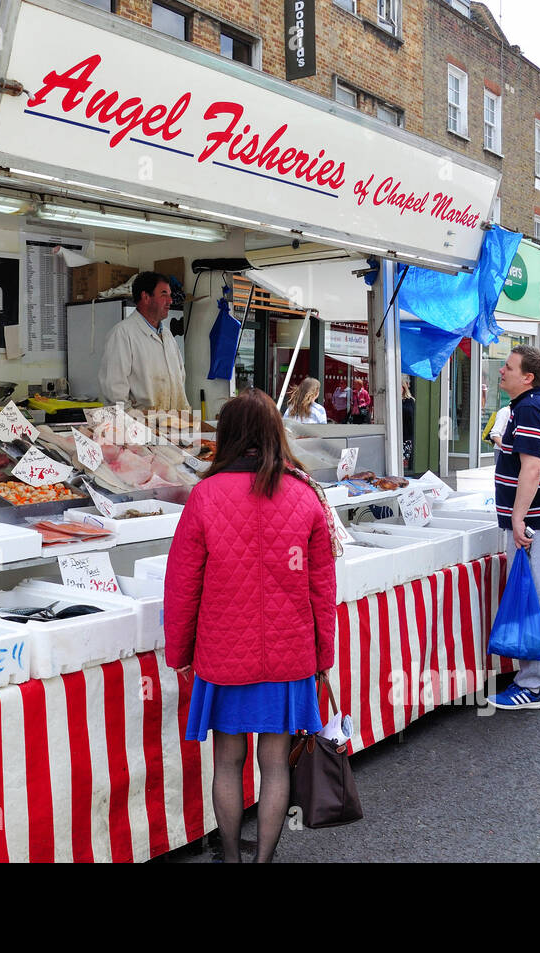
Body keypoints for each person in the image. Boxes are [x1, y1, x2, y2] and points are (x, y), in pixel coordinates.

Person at [164, 388, 337, 863]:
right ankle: (264, 859)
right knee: (275, 763)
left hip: (224, 656)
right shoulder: (305, 496)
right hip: (290, 655)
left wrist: (178, 653)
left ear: (227, 436)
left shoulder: (203, 496)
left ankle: (233, 860)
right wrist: (324, 658)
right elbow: (323, 589)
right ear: (274, 434)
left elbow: (182, 586)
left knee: (227, 760)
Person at [489, 346, 540, 710]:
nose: (502, 371)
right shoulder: (535, 406)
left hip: (535, 520)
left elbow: (532, 469)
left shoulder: (530, 409)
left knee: (533, 597)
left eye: (508, 366)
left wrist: (518, 517)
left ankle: (531, 683)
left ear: (528, 377)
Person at [98, 271, 190, 414]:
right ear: (146, 297)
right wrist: (137, 421)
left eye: (170, 295)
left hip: (172, 424)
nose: (170, 301)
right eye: (164, 294)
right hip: (141, 427)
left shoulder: (167, 335)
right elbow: (114, 392)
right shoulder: (122, 334)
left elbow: (180, 379)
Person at [400, 375, 416, 471]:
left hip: (406, 435)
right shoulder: (392, 400)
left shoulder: (409, 400)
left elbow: (408, 413)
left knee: (404, 459)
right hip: (397, 433)